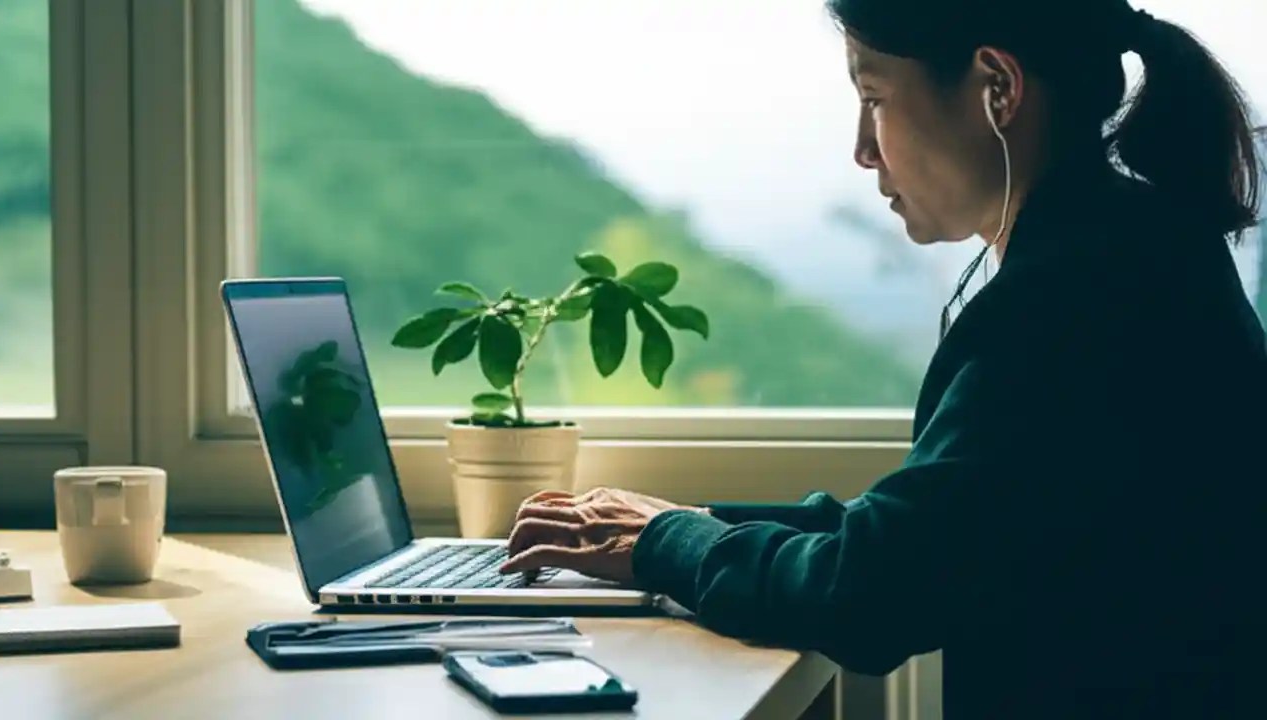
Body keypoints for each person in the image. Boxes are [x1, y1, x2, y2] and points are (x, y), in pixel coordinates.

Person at [500, 0, 1267, 716]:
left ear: (997, 87)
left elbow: (871, 595)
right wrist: (689, 523)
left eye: (873, 98)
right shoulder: (1131, 247)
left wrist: (667, 544)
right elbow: (932, 528)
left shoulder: (1076, 298)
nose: (863, 151)